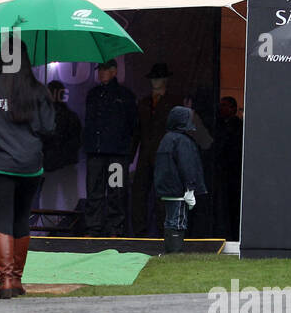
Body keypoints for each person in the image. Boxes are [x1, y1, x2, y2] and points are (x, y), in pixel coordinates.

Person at [0, 46, 55, 299]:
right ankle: (16, 279)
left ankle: (6, 281)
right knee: (21, 218)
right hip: (30, 165)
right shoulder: (38, 90)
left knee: (4, 218)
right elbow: (49, 129)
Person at [82, 60, 138, 237]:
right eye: (100, 70)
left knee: (116, 192)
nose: (101, 73)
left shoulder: (125, 95)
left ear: (114, 71)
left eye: (105, 70)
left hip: (117, 154)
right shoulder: (93, 94)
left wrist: (127, 152)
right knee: (94, 191)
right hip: (96, 152)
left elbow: (133, 126)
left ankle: (115, 228)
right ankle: (93, 227)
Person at [131, 63, 183, 237]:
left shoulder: (175, 102)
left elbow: (179, 131)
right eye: (153, 78)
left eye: (158, 78)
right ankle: (139, 232)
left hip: (165, 155)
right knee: (139, 193)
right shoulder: (144, 102)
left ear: (165, 80)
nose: (155, 81)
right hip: (145, 154)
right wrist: (131, 154)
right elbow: (137, 129)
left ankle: (164, 232)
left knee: (163, 196)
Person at [154, 106, 207, 252]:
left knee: (170, 220)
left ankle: (171, 251)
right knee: (177, 221)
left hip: (168, 189)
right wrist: (190, 188)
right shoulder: (182, 141)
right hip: (179, 191)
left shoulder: (167, 138)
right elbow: (187, 166)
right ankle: (174, 254)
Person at [39, 80, 82, 210]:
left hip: (52, 164)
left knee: (49, 200)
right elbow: (77, 141)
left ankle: (50, 227)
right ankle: (71, 227)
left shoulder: (45, 116)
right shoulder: (71, 116)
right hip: (65, 165)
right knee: (69, 200)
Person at [213, 96, 244, 239]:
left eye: (225, 105)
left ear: (233, 108)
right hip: (220, 172)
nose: (221, 108)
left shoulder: (238, 125)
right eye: (220, 105)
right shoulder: (217, 125)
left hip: (234, 173)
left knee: (233, 206)